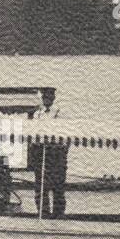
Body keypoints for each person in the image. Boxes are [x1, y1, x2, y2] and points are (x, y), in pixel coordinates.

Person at [28, 87, 68, 217]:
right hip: (41, 153)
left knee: (58, 185)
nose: (47, 99)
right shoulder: (37, 114)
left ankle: (58, 214)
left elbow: (63, 134)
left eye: (49, 96)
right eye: (44, 97)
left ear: (54, 98)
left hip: (56, 155)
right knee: (40, 185)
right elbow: (34, 134)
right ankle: (43, 212)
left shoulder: (60, 113)